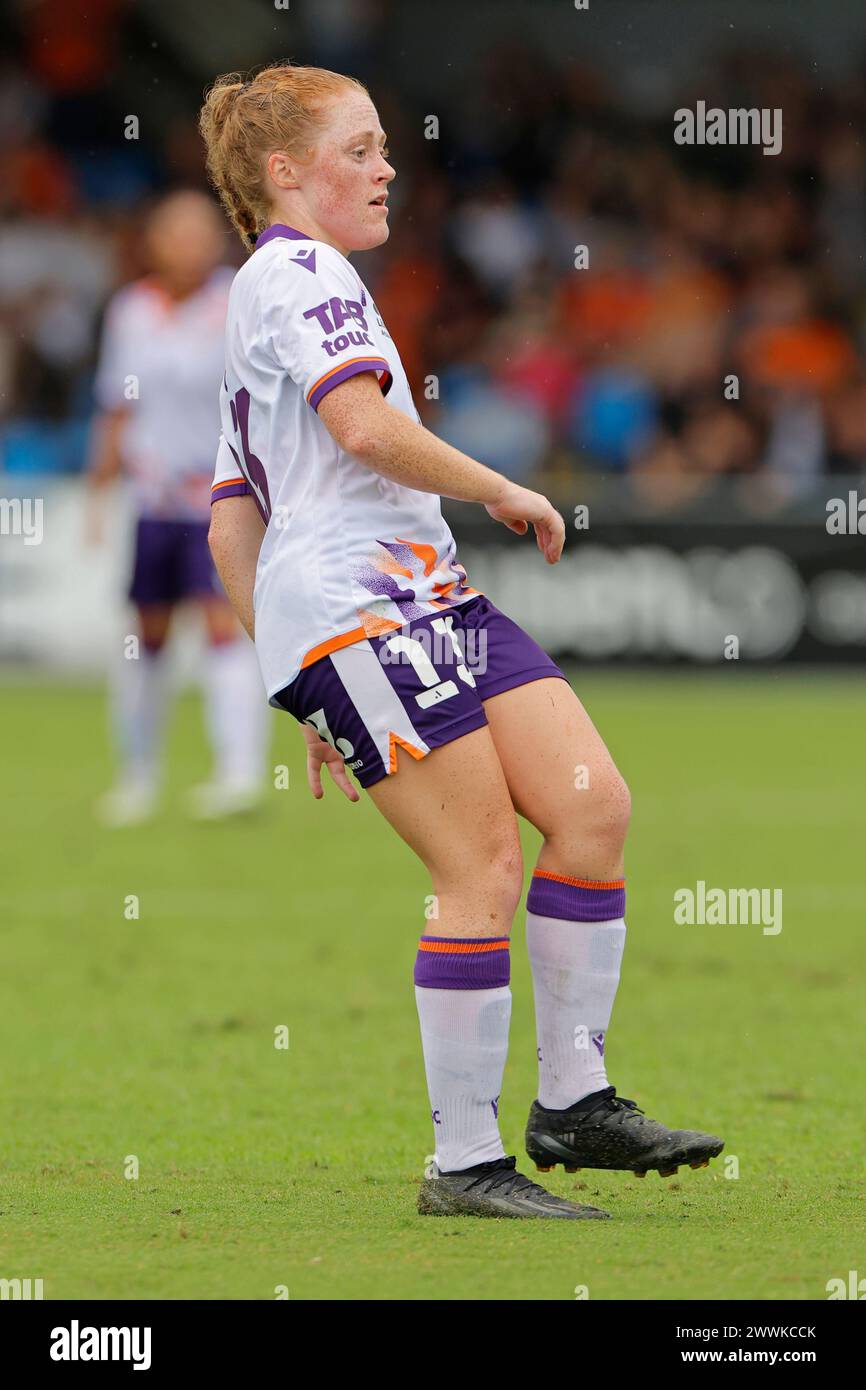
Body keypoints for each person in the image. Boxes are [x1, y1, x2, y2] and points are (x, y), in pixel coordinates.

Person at [199, 64, 724, 1220]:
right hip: (363, 611)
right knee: (476, 866)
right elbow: (359, 424)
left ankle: (573, 1103)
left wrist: (294, 679)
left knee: (591, 810)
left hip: (420, 603)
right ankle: (465, 1162)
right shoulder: (297, 273)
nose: (387, 167)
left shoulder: (282, 288)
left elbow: (232, 509)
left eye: (385, 146)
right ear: (285, 173)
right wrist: (501, 489)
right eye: (360, 150)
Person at [87, 190, 268, 825]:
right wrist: (97, 492)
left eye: (200, 233)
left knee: (224, 623)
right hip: (154, 499)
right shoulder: (131, 310)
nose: (190, 245)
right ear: (153, 241)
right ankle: (137, 777)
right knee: (148, 636)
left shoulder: (235, 303)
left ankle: (239, 774)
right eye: (176, 233)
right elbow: (116, 407)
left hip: (220, 499)